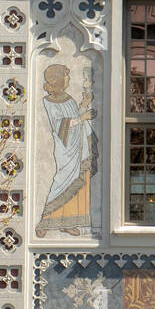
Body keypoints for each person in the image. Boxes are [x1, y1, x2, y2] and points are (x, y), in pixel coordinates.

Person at [36, 63, 97, 237]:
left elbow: (74, 117)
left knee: (78, 181)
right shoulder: (49, 102)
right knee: (62, 180)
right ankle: (45, 221)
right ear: (58, 79)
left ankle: (68, 221)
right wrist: (82, 117)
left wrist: (83, 106)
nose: (69, 78)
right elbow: (60, 125)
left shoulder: (68, 99)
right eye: (66, 75)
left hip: (77, 147)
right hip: (65, 149)